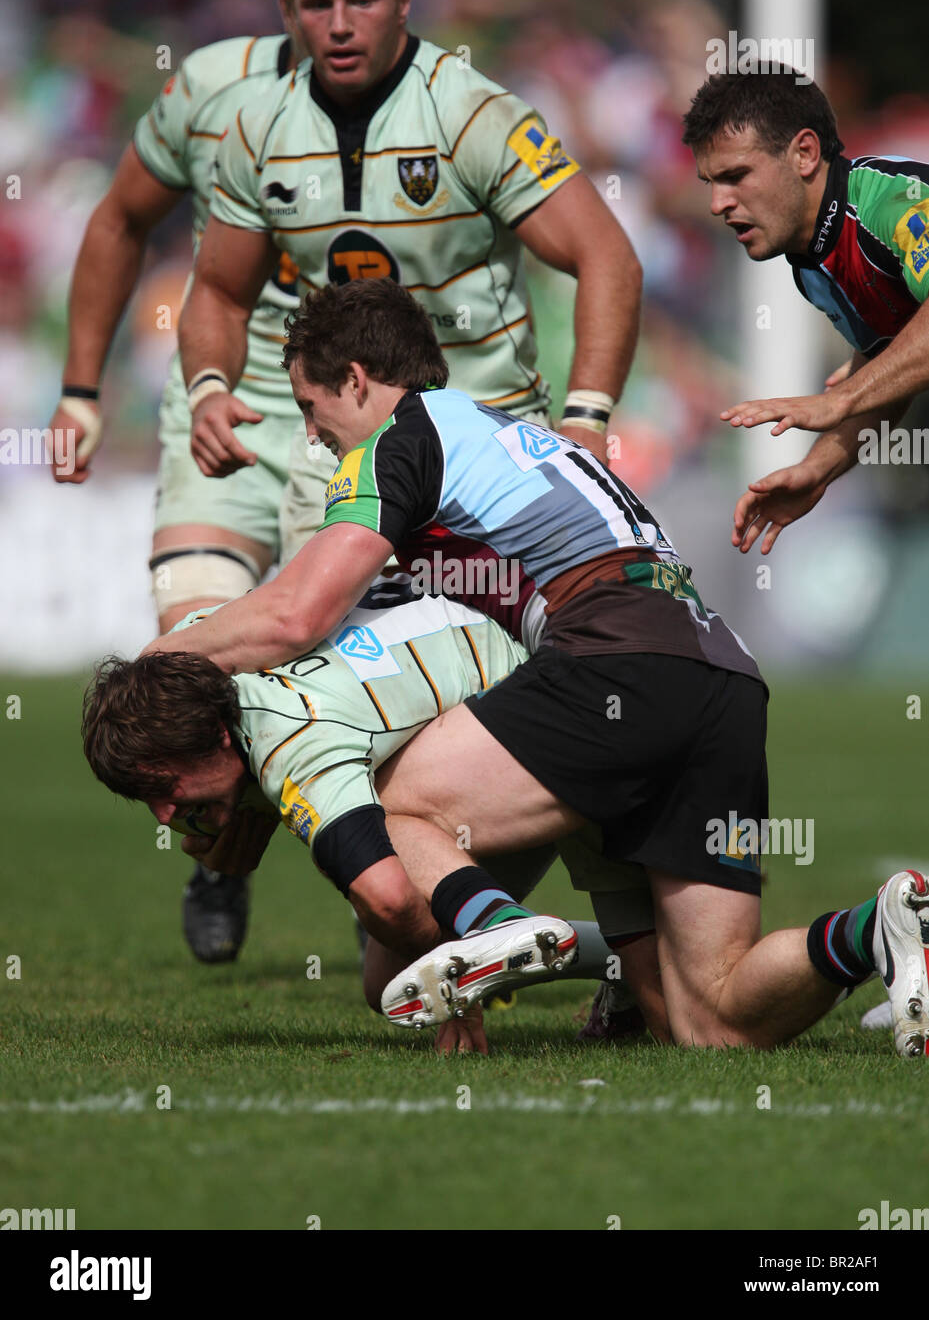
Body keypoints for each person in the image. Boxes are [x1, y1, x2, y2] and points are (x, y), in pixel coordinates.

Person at [144, 277, 929, 1055]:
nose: (313, 435)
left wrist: (157, 658)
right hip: (717, 674)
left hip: (611, 656)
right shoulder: (494, 434)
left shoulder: (396, 444)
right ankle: (876, 931)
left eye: (311, 407)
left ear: (354, 380)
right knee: (710, 1022)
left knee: (396, 805)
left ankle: (496, 936)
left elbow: (296, 616)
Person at [83, 584, 662, 1054]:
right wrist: (223, 816)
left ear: (214, 736)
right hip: (532, 675)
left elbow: (388, 901)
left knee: (394, 903)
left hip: (544, 707)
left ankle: (493, 928)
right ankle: (606, 955)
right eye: (145, 796)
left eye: (166, 787)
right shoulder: (193, 654)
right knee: (385, 980)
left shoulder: (294, 746)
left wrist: (457, 991)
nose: (164, 814)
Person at [52, 18, 338, 961]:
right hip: (217, 408)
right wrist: (82, 391)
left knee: (288, 684)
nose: (337, 22)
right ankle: (216, 860)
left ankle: (259, 855)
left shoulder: (431, 111)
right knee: (193, 668)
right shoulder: (210, 84)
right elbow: (121, 218)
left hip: (344, 423)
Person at [179, 0, 642, 475]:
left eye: (363, 0)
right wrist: (208, 390)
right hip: (337, 460)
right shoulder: (257, 131)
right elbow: (219, 291)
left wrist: (586, 419)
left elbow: (607, 256)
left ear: (404, 1)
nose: (340, 25)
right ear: (287, 11)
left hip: (490, 452)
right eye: (318, 5)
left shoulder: (474, 114)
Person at [681, 68, 929, 555]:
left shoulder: (896, 202)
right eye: (709, 182)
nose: (716, 203)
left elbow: (878, 375)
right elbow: (896, 364)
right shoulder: (812, 266)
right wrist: (817, 471)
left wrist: (841, 399)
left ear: (805, 153)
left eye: (735, 176)